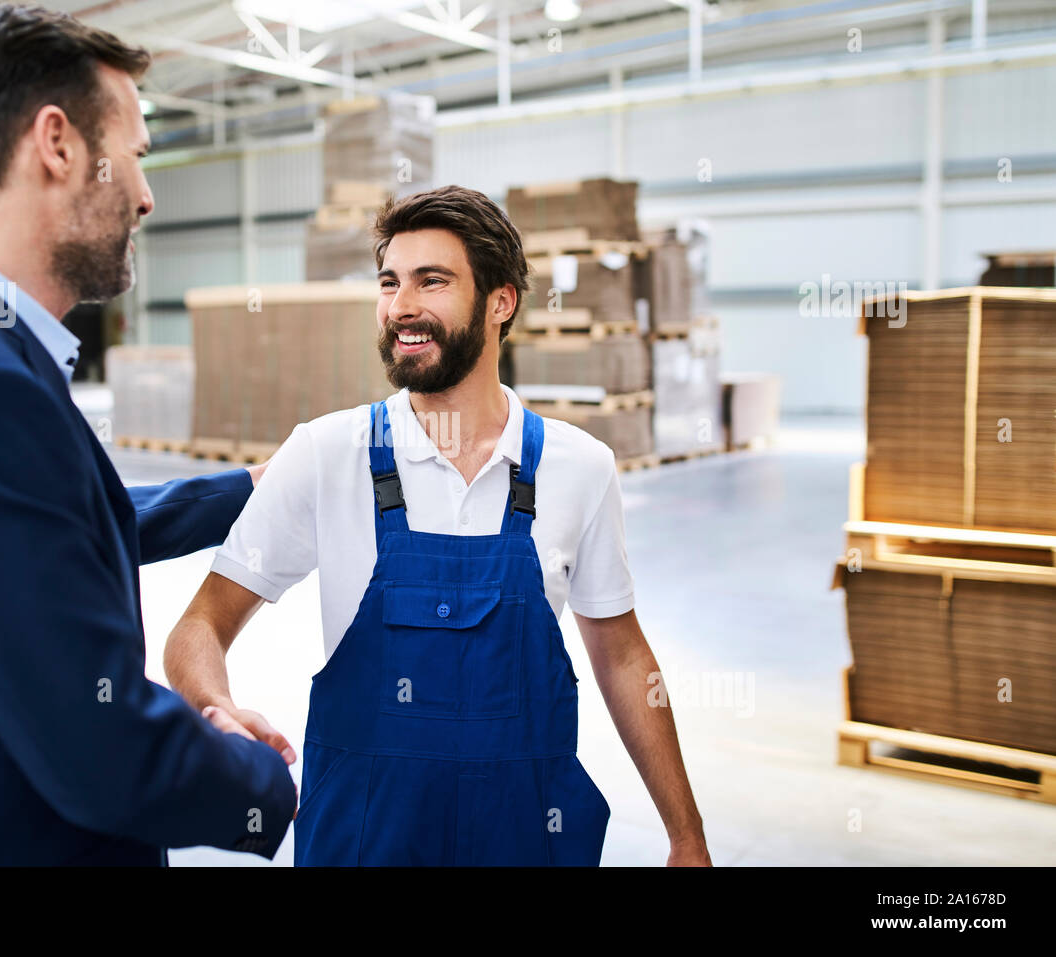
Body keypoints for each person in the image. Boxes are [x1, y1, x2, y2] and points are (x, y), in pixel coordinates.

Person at [0, 2, 295, 866]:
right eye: (139, 156)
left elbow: (42, 532)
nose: (148, 198)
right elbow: (103, 753)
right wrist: (267, 783)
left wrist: (246, 493)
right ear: (58, 143)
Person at [164, 185, 712, 866]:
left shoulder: (580, 468)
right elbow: (199, 625)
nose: (402, 307)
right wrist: (216, 706)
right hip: (364, 844)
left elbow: (623, 653)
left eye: (433, 280)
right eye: (390, 282)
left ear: (501, 301)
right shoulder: (327, 454)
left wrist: (686, 834)